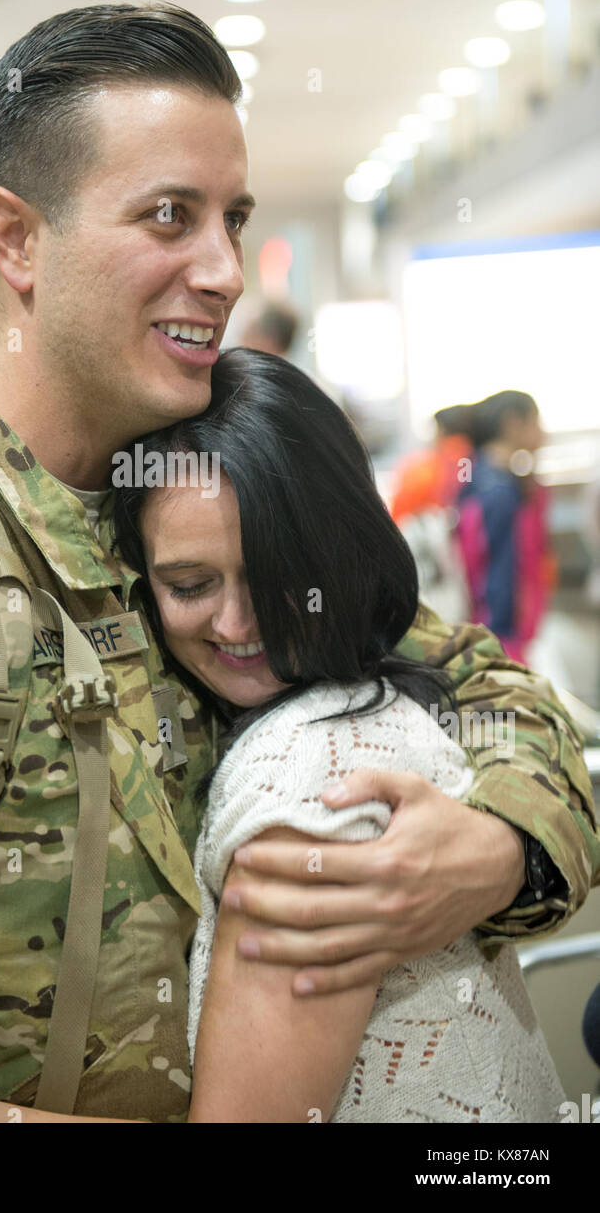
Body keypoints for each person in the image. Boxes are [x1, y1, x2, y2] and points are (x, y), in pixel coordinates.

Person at [0, 4, 595, 1125]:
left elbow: (485, 686)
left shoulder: (179, 500)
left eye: (230, 219)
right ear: (15, 239)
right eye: (168, 218)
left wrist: (498, 848)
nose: (225, 269)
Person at [110, 349, 567, 1122]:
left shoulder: (311, 786)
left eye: (271, 575)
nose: (235, 624)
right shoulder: (360, 698)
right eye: (189, 586)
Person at [456, 390, 556, 665]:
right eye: (536, 422)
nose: (542, 432)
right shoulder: (499, 491)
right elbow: (499, 568)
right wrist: (500, 634)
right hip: (502, 633)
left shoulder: (478, 476)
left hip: (489, 625)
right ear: (513, 423)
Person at [389, 404, 474, 625]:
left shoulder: (419, 468)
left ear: (441, 429)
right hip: (467, 562)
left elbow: (397, 519)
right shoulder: (474, 462)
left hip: (429, 566)